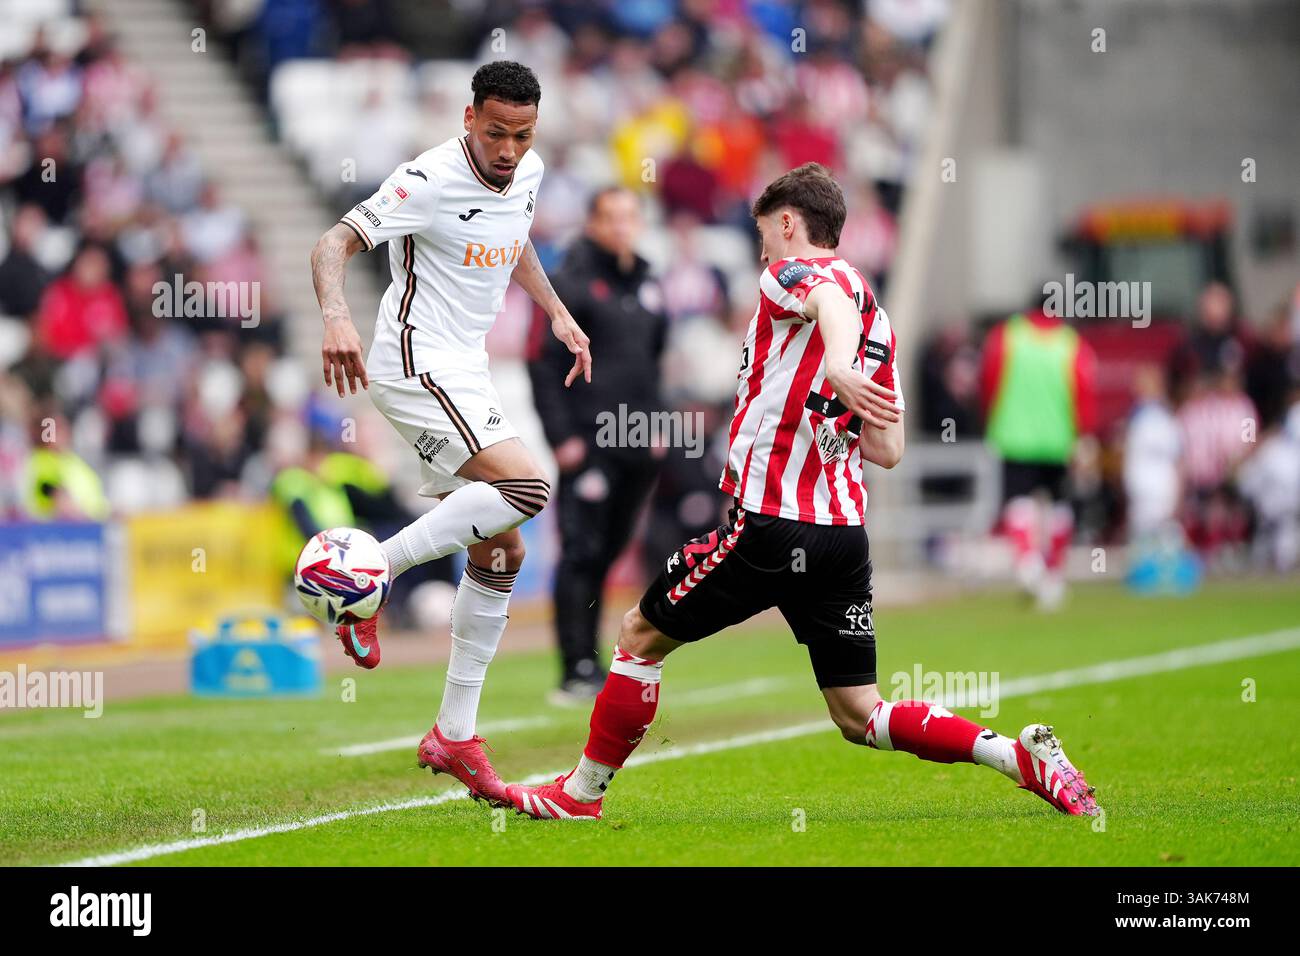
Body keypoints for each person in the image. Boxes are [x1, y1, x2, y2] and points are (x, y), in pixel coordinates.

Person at [503, 163, 1099, 820]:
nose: (761, 250)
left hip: (771, 524)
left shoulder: (796, 277)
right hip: (841, 537)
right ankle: (1020, 758)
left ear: (787, 223)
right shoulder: (881, 319)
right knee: (858, 712)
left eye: (764, 233)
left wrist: (835, 367)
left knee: (640, 633)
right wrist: (835, 394)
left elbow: (826, 304)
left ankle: (581, 795)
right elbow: (889, 449)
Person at [308, 61, 591, 806]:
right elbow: (332, 243)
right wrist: (337, 317)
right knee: (528, 487)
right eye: (495, 131)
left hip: (465, 370)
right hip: (413, 362)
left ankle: (454, 734)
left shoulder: (526, 172)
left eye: (522, 135)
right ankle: (371, 576)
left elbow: (516, 238)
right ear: (469, 117)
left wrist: (555, 311)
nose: (508, 148)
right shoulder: (426, 179)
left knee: (503, 546)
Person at [527, 186, 669, 703]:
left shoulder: (649, 283)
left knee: (608, 554)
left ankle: (592, 661)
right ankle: (575, 669)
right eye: (610, 217)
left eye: (629, 216)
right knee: (581, 553)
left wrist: (659, 429)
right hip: (588, 443)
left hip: (636, 445)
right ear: (592, 222)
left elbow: (652, 364)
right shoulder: (569, 282)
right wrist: (562, 439)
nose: (621, 227)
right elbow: (541, 362)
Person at [979, 296, 1097, 610]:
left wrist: (989, 416)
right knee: (1059, 507)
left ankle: (1029, 565)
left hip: (1015, 436)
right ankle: (1054, 575)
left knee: (1018, 503)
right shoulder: (1071, 344)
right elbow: (1083, 392)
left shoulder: (1007, 336)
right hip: (1059, 439)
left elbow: (989, 380)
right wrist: (1084, 434)